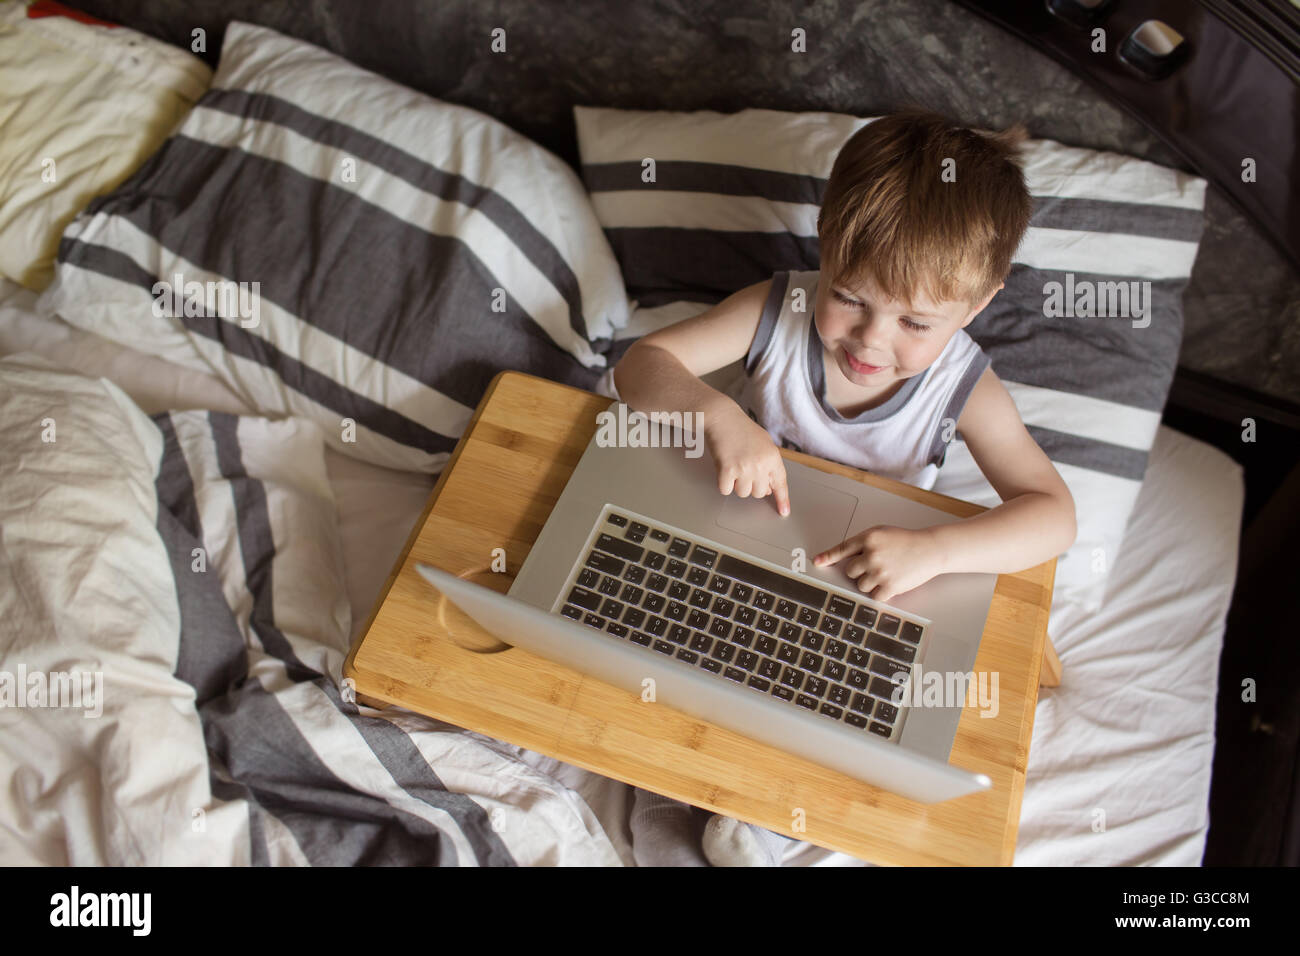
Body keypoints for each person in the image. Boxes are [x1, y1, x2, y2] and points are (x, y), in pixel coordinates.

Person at [607, 108, 1077, 866]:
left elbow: (1053, 516)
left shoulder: (966, 386)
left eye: (915, 323)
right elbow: (642, 366)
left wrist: (936, 552)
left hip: (861, 578)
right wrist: (716, 412)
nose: (870, 340)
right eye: (851, 296)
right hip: (745, 541)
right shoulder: (779, 309)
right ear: (827, 243)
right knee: (666, 671)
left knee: (849, 712)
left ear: (978, 303)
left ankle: (766, 824)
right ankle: (665, 800)